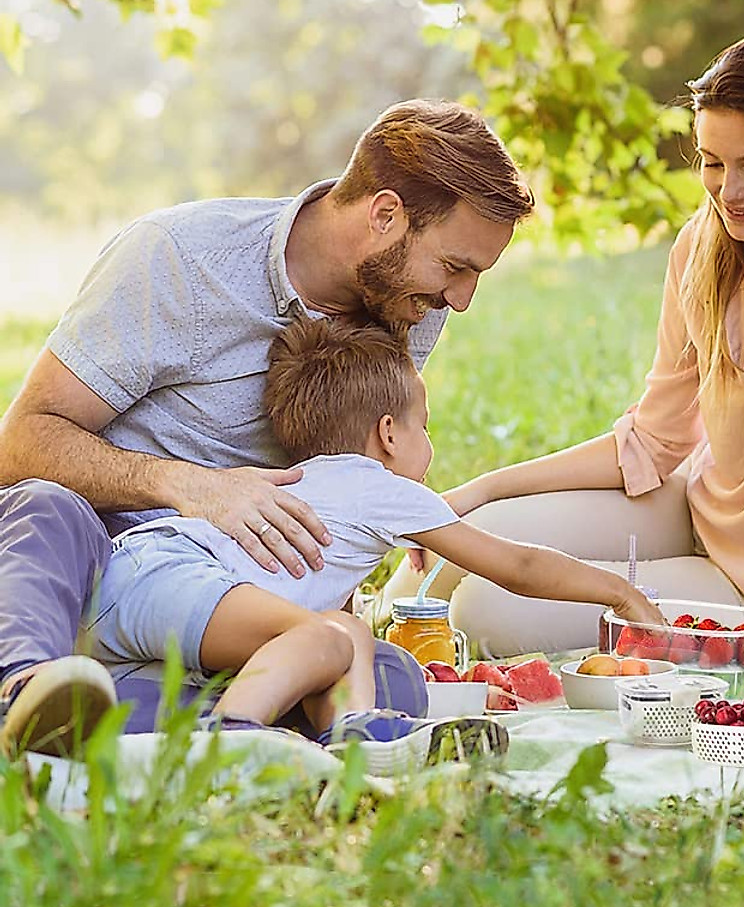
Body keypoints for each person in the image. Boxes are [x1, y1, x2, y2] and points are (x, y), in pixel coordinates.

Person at [0, 99, 535, 758]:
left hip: (227, 604)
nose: (461, 299)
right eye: (456, 267)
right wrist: (193, 488)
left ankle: (131, 723)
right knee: (46, 510)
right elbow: (21, 444)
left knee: (388, 684)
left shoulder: (409, 304)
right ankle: (22, 687)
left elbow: (345, 479)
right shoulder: (179, 259)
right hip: (100, 564)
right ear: (385, 214)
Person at [384, 33, 744, 655]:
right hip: (697, 513)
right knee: (470, 535)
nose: (729, 192)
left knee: (488, 614)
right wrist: (485, 488)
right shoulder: (703, 246)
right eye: (712, 162)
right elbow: (654, 440)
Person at [82, 318, 659, 771]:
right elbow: (519, 566)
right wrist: (618, 593)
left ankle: (357, 739)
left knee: (349, 634)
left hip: (136, 583)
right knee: (324, 638)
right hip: (170, 573)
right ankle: (232, 743)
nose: (427, 444)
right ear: (388, 433)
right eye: (424, 426)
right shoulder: (378, 486)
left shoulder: (319, 482)